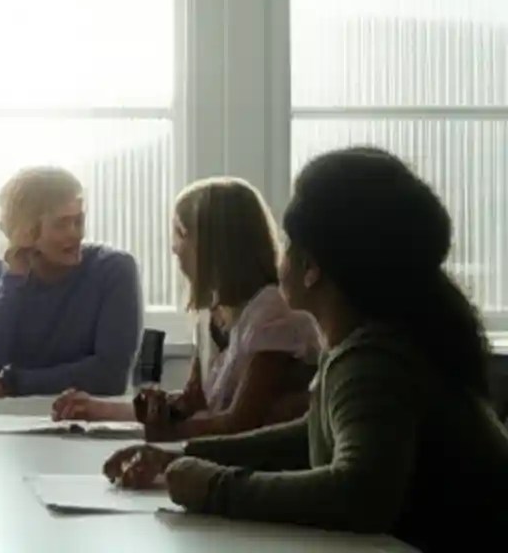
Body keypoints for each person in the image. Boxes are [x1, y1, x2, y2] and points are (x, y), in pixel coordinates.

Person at [102, 148, 508, 551]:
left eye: (290, 241)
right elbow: (310, 434)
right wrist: (179, 456)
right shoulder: (371, 343)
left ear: (312, 267)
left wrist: (214, 486)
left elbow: (359, 494)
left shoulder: (374, 362)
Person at [53, 177, 321, 441]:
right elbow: (191, 404)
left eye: (181, 233)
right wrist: (96, 409)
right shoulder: (211, 313)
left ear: (214, 244)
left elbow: (240, 422)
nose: (173, 248)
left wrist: (156, 438)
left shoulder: (273, 313)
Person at [0, 166, 142, 398]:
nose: (75, 234)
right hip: (11, 422)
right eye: (61, 224)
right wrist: (13, 280)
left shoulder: (113, 269)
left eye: (78, 221)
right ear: (25, 232)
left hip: (86, 422)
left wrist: (9, 386)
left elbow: (110, 375)